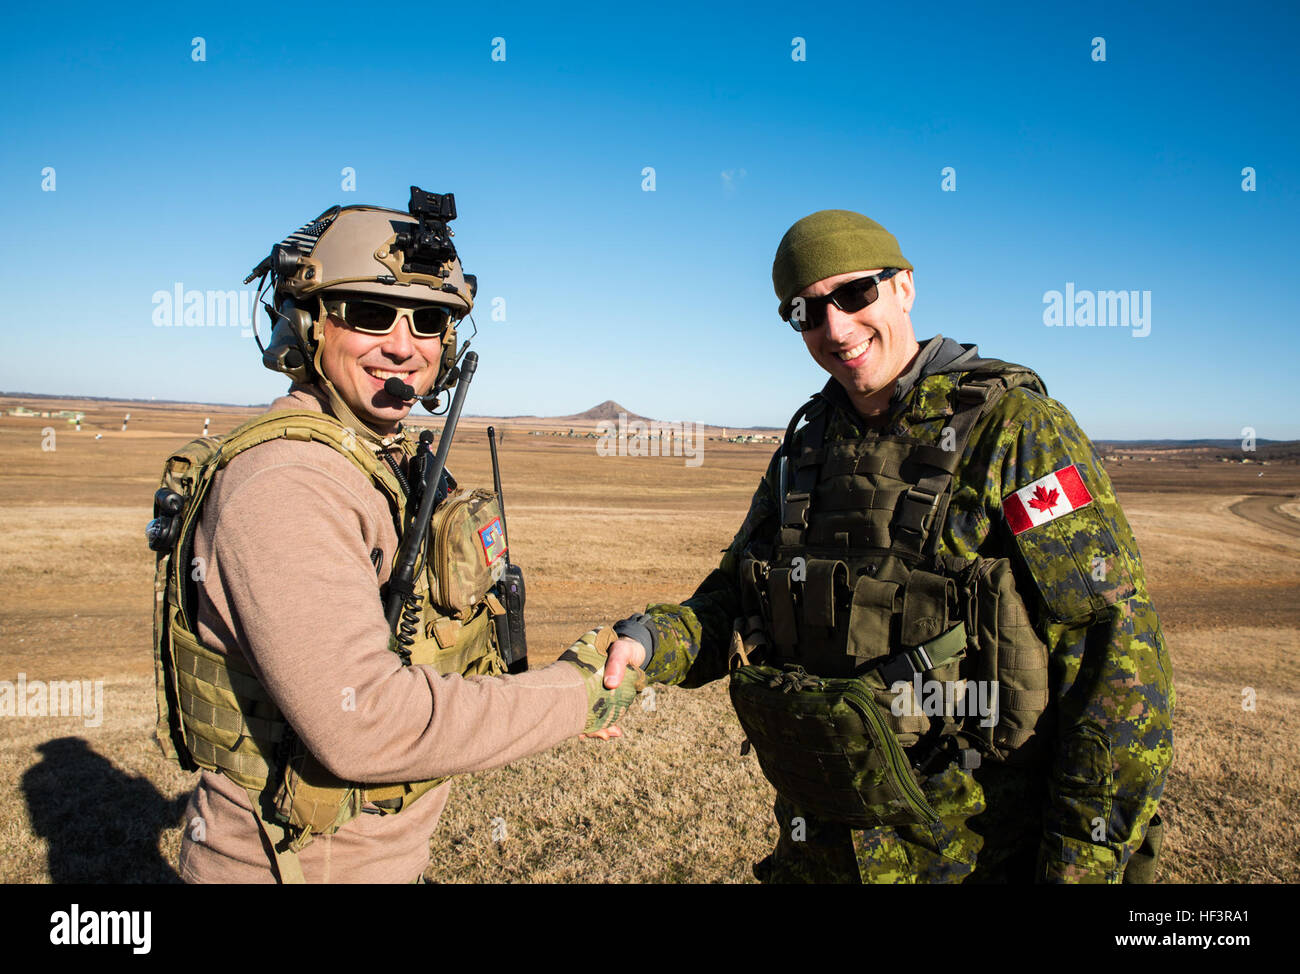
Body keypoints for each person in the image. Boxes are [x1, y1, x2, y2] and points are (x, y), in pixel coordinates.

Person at [592, 209, 1174, 883]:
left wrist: (1079, 870)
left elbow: (1114, 664)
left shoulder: (1015, 432)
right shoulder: (807, 449)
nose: (834, 328)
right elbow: (735, 596)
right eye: (806, 312)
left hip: (975, 862)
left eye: (854, 294)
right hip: (819, 857)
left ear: (904, 287)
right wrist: (648, 645)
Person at [151, 189, 640, 883]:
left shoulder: (384, 459)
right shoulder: (289, 483)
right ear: (309, 325)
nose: (405, 346)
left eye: (431, 320)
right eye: (371, 313)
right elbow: (365, 722)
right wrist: (570, 696)